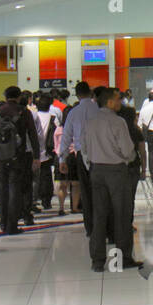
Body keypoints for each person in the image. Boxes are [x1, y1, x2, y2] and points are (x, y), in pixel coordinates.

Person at [82, 87, 143, 272]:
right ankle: (123, 257)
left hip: (96, 170)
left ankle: (97, 260)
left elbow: (84, 148)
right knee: (121, 214)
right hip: (116, 171)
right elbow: (127, 150)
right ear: (109, 102)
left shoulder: (90, 122)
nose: (120, 102)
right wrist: (130, 158)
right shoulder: (118, 122)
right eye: (117, 99)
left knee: (99, 214)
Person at [0, 86, 40, 235]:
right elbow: (32, 135)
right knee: (15, 190)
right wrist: (36, 156)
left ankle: (3, 222)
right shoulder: (24, 112)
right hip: (18, 156)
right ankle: (12, 225)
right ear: (19, 97)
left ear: (5, 96)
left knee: (2, 189)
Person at [58, 81, 98, 236]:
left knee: (86, 191)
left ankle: (90, 227)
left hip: (81, 155)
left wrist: (63, 159)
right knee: (100, 191)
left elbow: (66, 136)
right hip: (99, 154)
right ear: (90, 92)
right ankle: (102, 225)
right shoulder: (98, 109)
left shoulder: (74, 112)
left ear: (77, 94)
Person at [32, 93, 56, 212]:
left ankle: (34, 200)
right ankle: (47, 201)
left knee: (34, 178)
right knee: (46, 177)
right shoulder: (53, 117)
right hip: (47, 151)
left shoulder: (34, 116)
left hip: (34, 152)